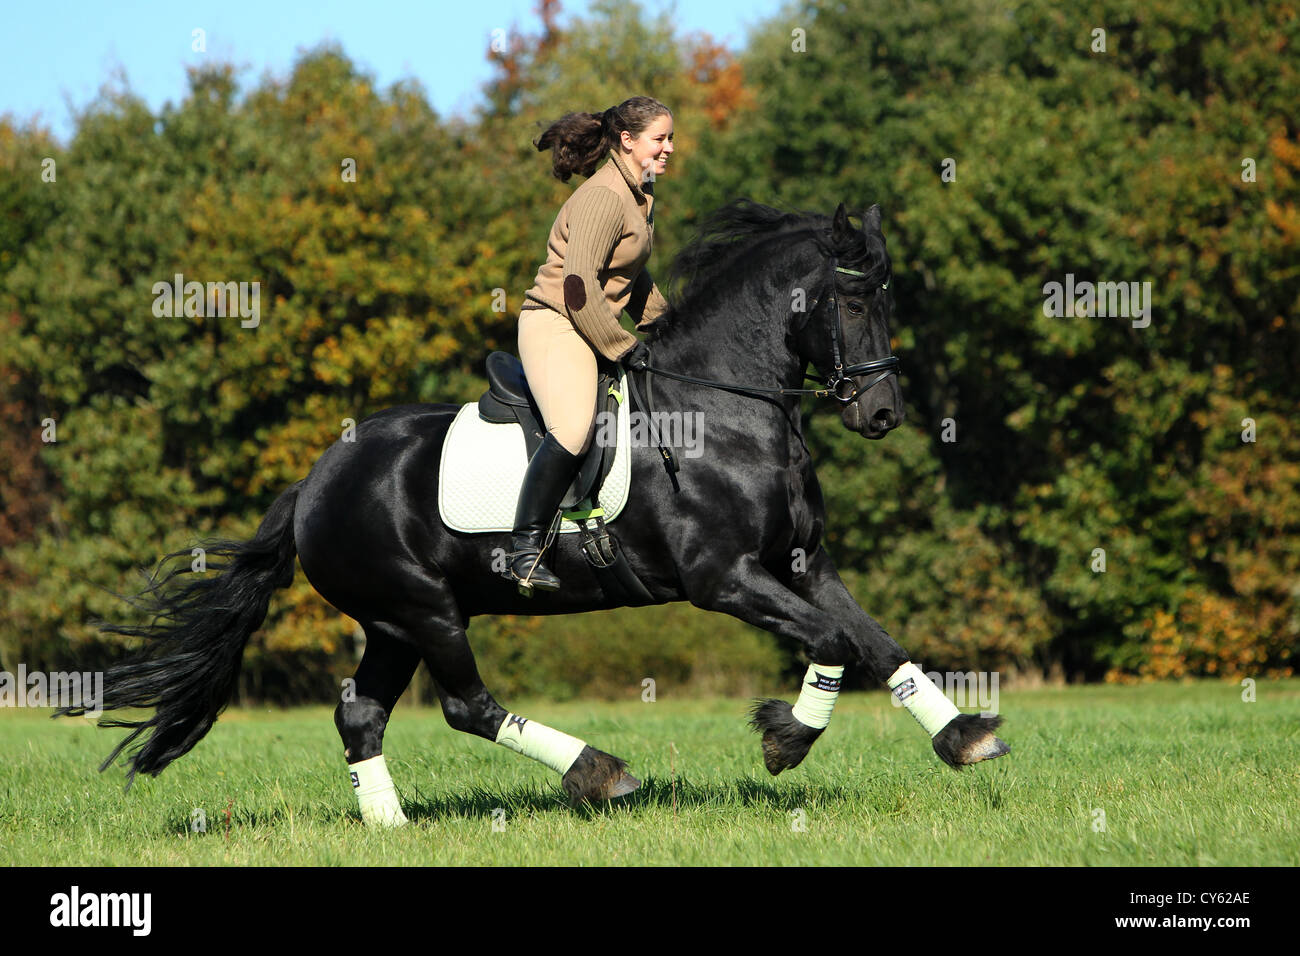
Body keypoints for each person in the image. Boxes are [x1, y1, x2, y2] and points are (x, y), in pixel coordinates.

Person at [509, 95, 675, 593]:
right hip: (557, 322)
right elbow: (579, 287)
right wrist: (622, 344)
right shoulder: (605, 196)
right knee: (576, 427)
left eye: (671, 139)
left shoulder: (640, 194)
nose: (669, 149)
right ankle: (525, 549)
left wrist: (670, 326)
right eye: (659, 140)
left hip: (590, 322)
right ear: (627, 141)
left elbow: (629, 275)